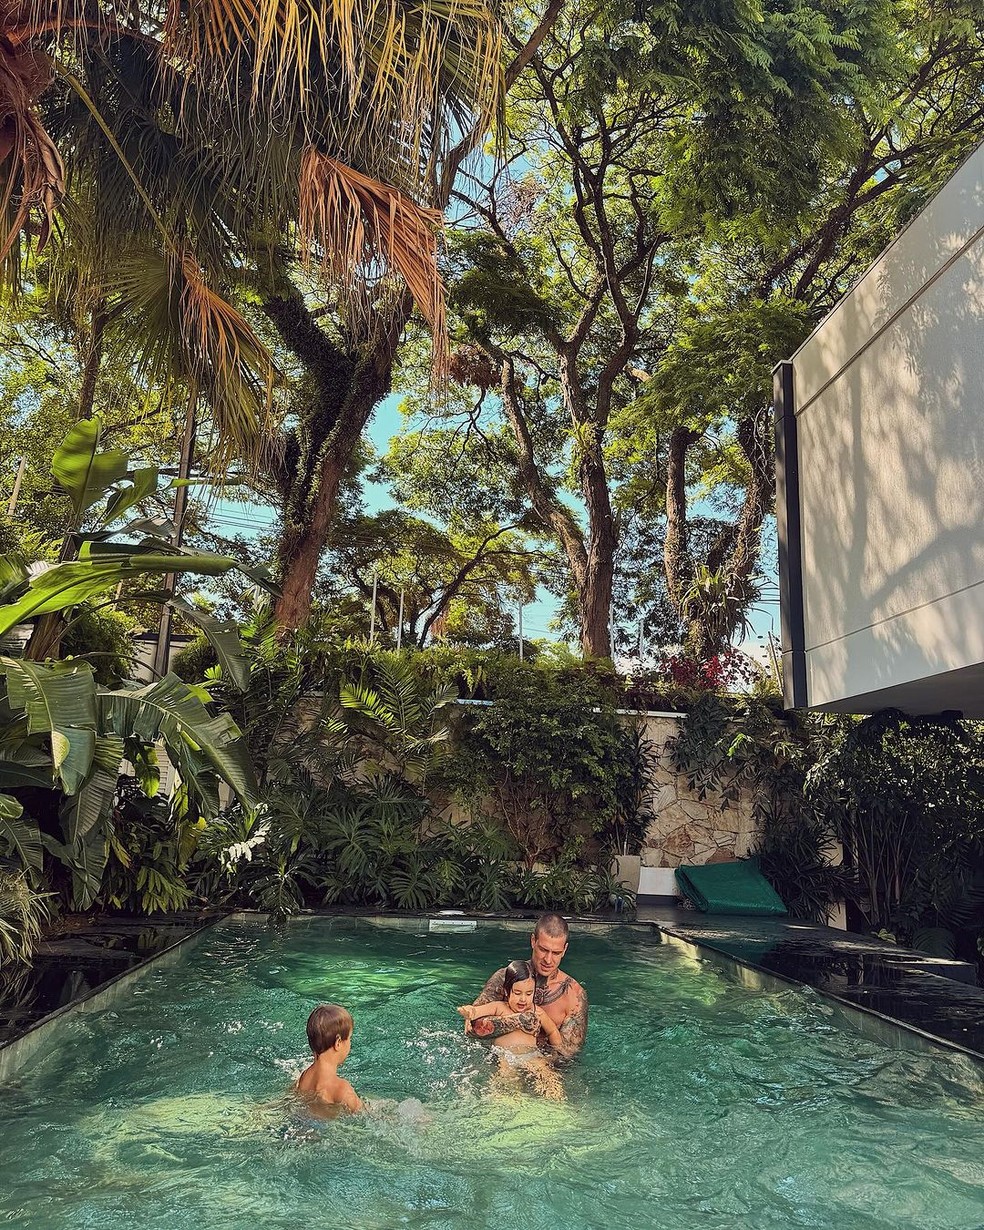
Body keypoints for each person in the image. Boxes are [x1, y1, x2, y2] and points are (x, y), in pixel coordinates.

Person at [468, 913, 588, 1057]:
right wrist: (519, 1021)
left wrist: (535, 1066)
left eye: (556, 953)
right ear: (533, 941)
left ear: (565, 950)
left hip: (544, 1068)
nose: (548, 960)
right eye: (543, 950)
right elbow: (471, 1027)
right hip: (500, 1060)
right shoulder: (505, 978)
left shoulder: (573, 995)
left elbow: (568, 1052)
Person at [457, 959, 565, 1099]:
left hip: (532, 1055)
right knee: (507, 1081)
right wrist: (469, 1011)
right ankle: (508, 1104)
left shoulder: (536, 1011)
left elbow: (552, 1031)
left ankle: (557, 1101)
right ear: (507, 991)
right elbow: (477, 1012)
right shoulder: (499, 1007)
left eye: (528, 994)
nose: (523, 999)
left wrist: (556, 1053)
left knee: (549, 1078)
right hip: (506, 1057)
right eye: (517, 993)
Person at [294, 1003, 363, 1114]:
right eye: (350, 1038)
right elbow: (366, 1115)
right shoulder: (341, 1089)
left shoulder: (304, 1077)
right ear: (338, 1043)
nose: (350, 1043)